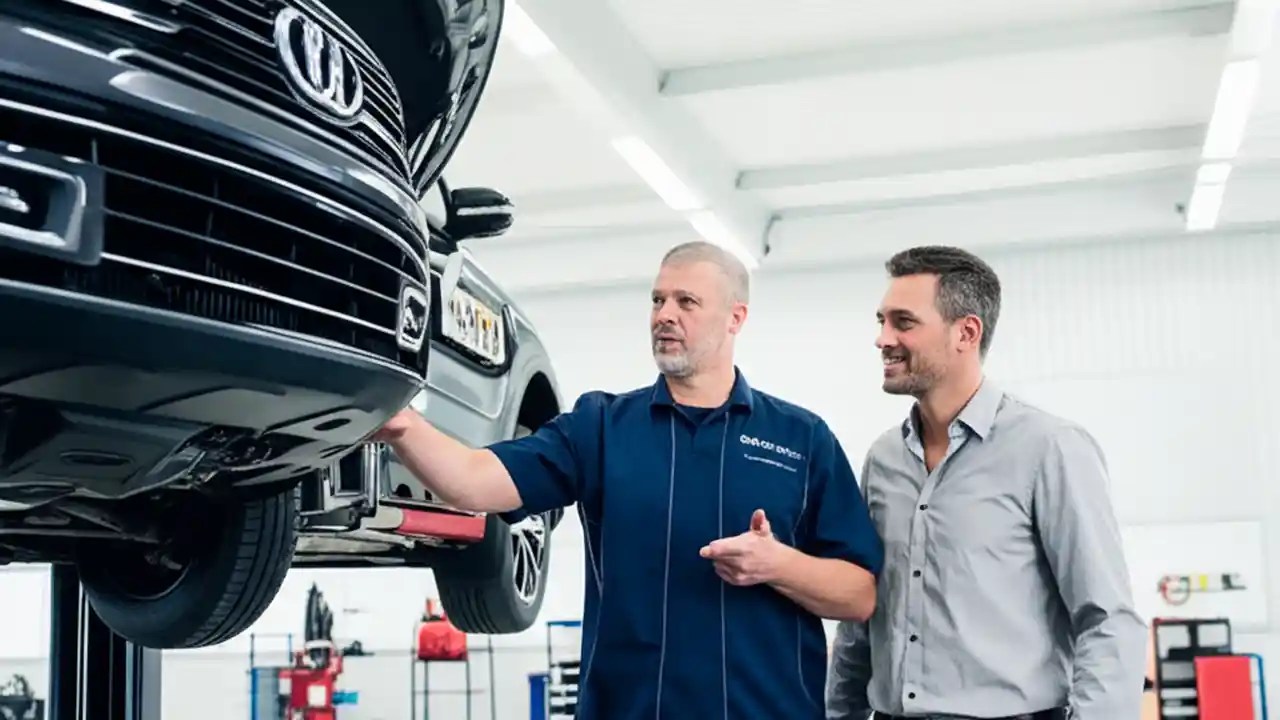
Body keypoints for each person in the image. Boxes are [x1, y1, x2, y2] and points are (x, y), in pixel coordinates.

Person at [376, 240, 883, 720]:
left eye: (686, 301)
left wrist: (778, 565)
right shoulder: (601, 428)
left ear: (736, 318)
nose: (665, 315)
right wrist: (402, 424)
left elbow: (859, 595)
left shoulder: (800, 439)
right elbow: (472, 481)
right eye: (658, 300)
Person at [825, 245, 1147, 720]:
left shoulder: (1048, 448)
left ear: (966, 332)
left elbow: (1107, 619)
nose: (882, 339)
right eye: (881, 321)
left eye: (903, 322)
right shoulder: (884, 459)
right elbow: (863, 623)